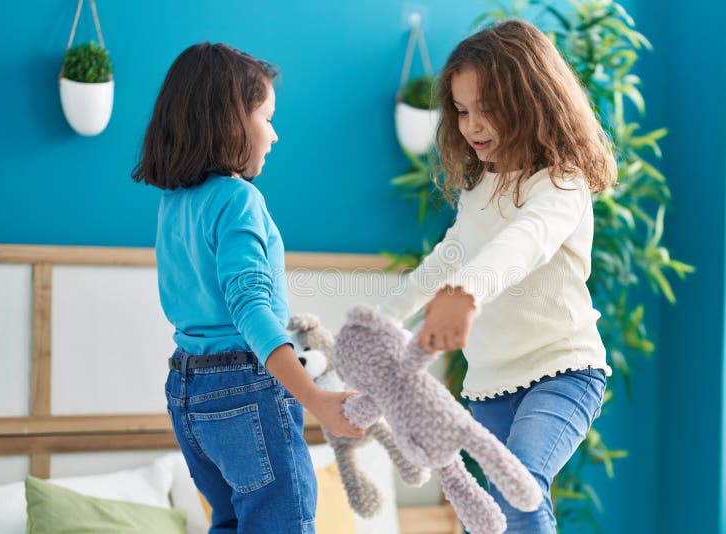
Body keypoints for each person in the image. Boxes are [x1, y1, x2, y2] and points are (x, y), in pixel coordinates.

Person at [379, 20, 615, 533]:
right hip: (488, 386)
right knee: (487, 517)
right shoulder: (479, 190)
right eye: (462, 111)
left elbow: (522, 243)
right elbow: (448, 258)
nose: (472, 125)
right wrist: (379, 322)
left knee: (520, 486)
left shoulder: (560, 184)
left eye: (487, 108)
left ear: (531, 101)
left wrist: (465, 293)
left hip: (563, 371)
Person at [132, 42, 363, 534]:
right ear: (231, 121)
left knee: (231, 523)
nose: (274, 136)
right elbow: (251, 311)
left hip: (188, 391)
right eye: (267, 118)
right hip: (244, 387)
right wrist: (314, 399)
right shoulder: (239, 199)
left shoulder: (173, 205)